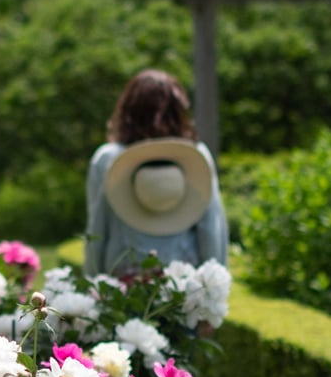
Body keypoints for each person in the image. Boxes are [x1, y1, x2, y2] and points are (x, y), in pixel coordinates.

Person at [84, 69, 229, 278]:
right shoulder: (196, 156)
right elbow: (212, 229)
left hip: (123, 278)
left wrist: (93, 282)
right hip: (184, 279)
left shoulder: (107, 159)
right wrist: (215, 281)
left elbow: (97, 227)